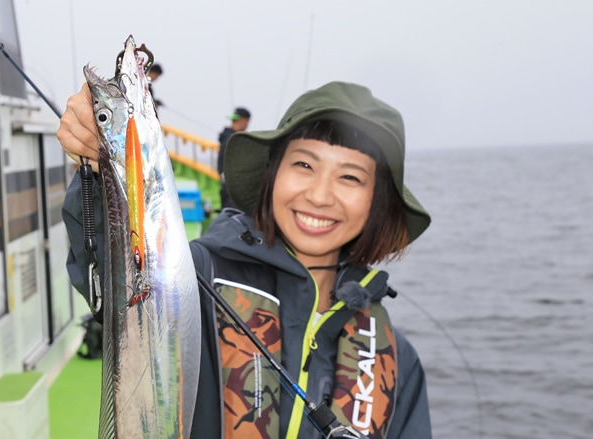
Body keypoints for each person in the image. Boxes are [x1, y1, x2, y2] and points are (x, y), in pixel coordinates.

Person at [57, 81, 433, 438]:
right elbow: (116, 264)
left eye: (350, 177)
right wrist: (100, 166)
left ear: (377, 202)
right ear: (273, 173)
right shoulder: (194, 275)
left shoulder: (398, 362)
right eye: (304, 165)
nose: (320, 196)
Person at [217, 107, 251, 209]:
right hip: (233, 189)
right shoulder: (234, 140)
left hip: (225, 186)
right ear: (243, 120)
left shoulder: (225, 137)